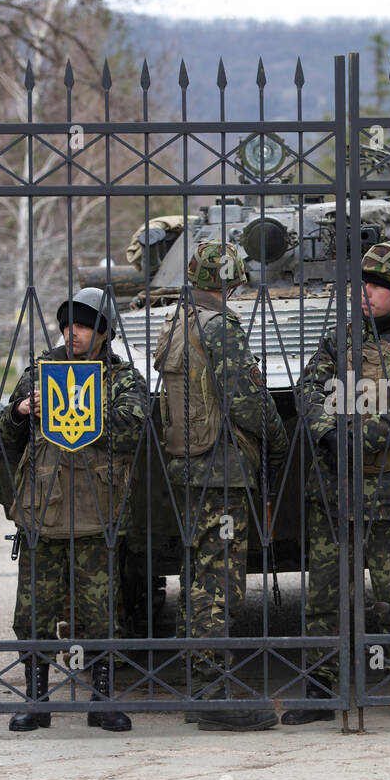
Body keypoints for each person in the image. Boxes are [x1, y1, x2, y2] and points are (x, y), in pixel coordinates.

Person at [283, 243, 390, 726]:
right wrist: (329, 433)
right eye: (364, 283)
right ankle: (319, 688)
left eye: (377, 285)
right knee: (324, 594)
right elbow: (309, 390)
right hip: (334, 489)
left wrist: (357, 436)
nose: (365, 293)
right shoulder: (339, 340)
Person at [0, 286, 146, 733]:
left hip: (95, 512)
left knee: (100, 613)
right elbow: (5, 430)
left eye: (82, 324)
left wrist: (77, 408)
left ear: (103, 331)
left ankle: (101, 700)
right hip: (43, 512)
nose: (72, 332)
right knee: (34, 614)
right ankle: (36, 700)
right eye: (67, 324)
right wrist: (24, 409)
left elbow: (133, 427)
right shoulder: (41, 370)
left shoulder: (120, 378)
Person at [155, 242, 289, 732]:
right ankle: (214, 695)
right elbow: (247, 400)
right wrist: (279, 443)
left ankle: (201, 685)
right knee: (219, 585)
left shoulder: (176, 321)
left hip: (188, 468)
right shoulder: (220, 326)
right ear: (232, 281)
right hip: (221, 470)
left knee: (196, 579)